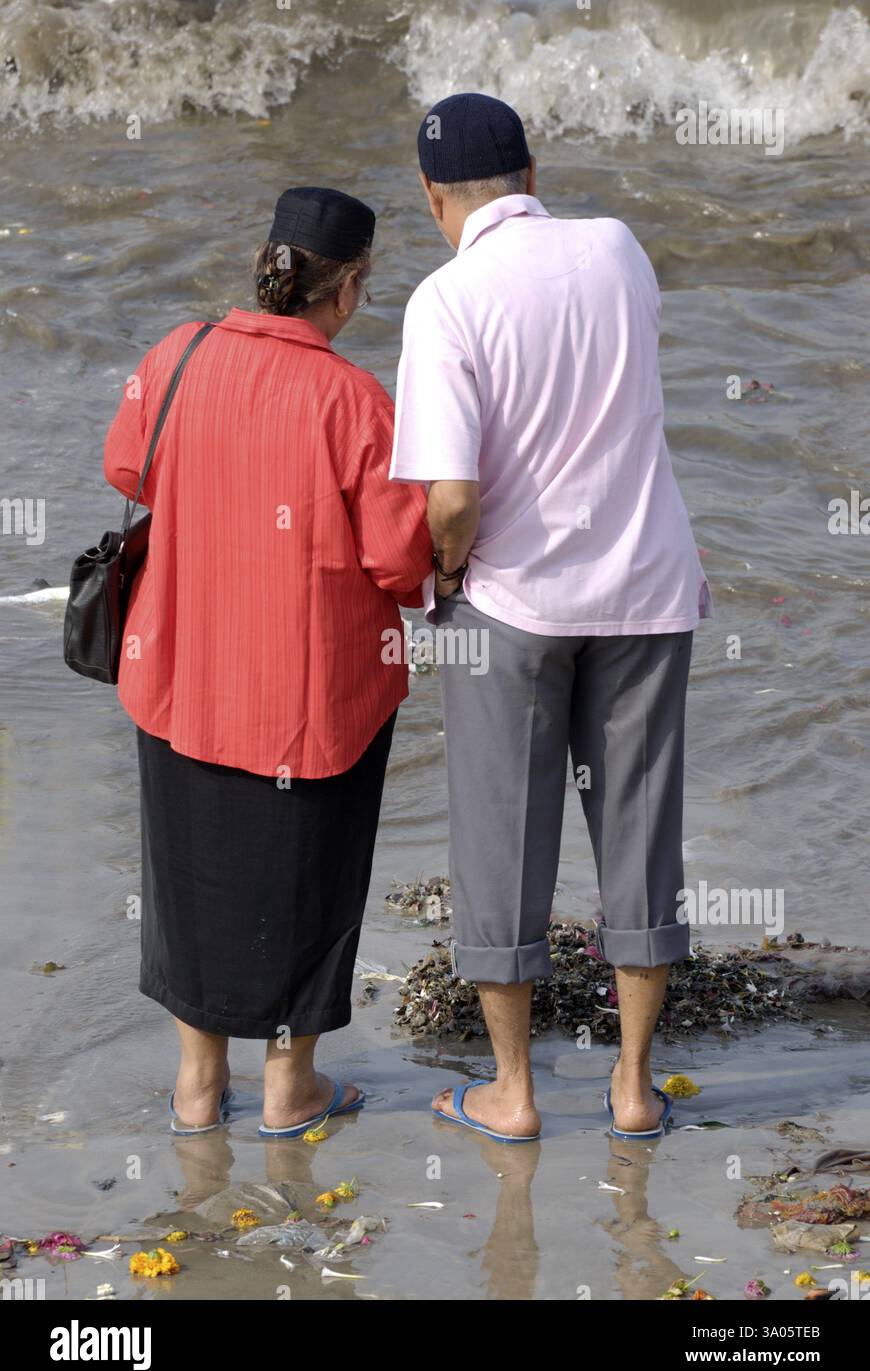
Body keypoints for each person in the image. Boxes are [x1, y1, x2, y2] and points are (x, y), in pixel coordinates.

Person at [390, 94, 713, 1143]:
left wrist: (447, 577)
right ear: (533, 175)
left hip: (515, 604)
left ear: (435, 198)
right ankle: (631, 1086)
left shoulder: (445, 299)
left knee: (502, 837)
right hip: (646, 589)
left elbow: (449, 497)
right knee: (640, 829)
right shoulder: (619, 248)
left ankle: (515, 1091)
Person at [104, 186, 431, 1136]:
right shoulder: (354, 400)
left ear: (268, 262)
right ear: (351, 289)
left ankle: (198, 1089)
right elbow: (401, 560)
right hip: (310, 693)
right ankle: (291, 1092)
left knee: (190, 869)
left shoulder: (178, 353)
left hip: (182, 668)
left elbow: (129, 465)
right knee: (310, 878)